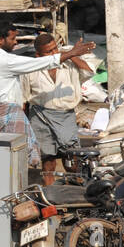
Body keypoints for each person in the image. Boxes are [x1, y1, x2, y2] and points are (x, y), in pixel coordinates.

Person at [0, 21, 93, 167]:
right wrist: (71, 53)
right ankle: (18, 187)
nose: (15, 42)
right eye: (12, 39)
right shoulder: (7, 60)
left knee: (5, 155)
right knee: (20, 156)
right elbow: (40, 65)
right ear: (0, 40)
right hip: (15, 114)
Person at [24, 31, 91, 185]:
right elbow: (24, 97)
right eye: (49, 51)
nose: (54, 53)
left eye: (55, 49)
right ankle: (50, 193)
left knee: (72, 157)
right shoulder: (31, 70)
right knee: (48, 159)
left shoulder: (68, 64)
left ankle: (78, 188)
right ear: (38, 55)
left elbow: (88, 72)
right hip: (40, 117)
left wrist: (71, 54)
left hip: (65, 116)